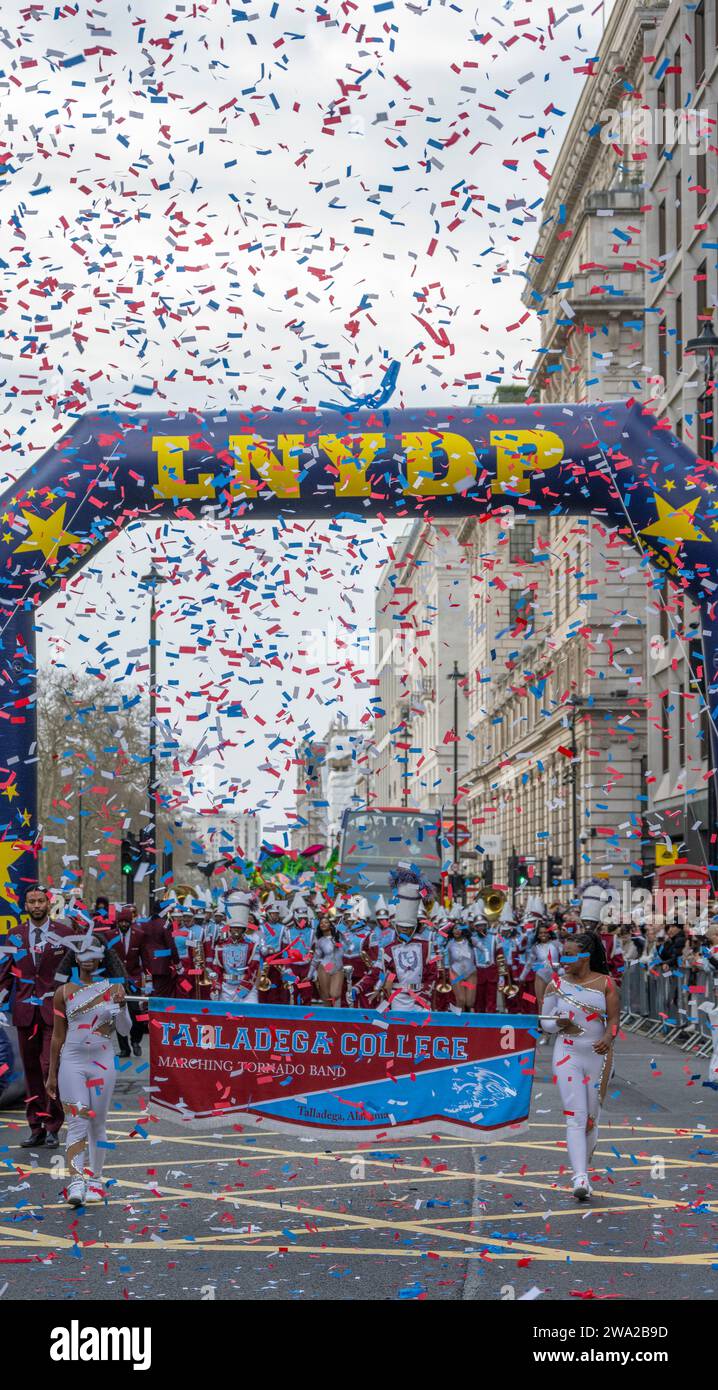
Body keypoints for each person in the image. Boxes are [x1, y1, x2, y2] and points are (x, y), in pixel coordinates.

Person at [46, 930, 131, 1206]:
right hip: (72, 1061)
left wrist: (122, 1008)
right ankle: (76, 1181)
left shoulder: (114, 988)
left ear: (101, 958)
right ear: (75, 957)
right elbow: (58, 1035)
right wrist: (51, 1075)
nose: (87, 960)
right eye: (82, 954)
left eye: (92, 955)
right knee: (77, 1121)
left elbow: (124, 1030)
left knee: (97, 1123)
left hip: (103, 1060)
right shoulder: (62, 992)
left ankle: (96, 1180)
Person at [540, 930, 619, 1202]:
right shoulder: (555, 985)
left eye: (571, 955)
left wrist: (608, 1039)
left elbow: (615, 1020)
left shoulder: (606, 984)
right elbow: (544, 1022)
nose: (564, 960)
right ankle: (580, 1176)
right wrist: (557, 1023)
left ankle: (583, 1169)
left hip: (598, 1056)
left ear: (585, 957)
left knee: (591, 1118)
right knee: (575, 1116)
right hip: (567, 1055)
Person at [0, 884, 73, 1148]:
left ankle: (53, 1126)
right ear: (25, 905)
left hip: (54, 1013)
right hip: (24, 1013)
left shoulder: (64, 933)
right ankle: (36, 1127)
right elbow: (6, 974)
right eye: (32, 902)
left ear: (48, 903)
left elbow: (79, 968)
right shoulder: (14, 935)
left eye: (41, 901)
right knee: (32, 1072)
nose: (37, 906)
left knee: (48, 1068)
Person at [212, 891, 261, 1003]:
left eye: (239, 928)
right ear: (230, 928)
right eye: (234, 927)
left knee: (249, 1014)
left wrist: (242, 992)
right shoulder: (220, 945)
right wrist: (215, 987)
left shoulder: (253, 946)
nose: (236, 930)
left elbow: (253, 971)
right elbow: (217, 969)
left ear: (244, 929)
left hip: (246, 988)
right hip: (225, 988)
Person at [110, 907, 145, 1057]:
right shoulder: (110, 935)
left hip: (134, 979)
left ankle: (136, 1040)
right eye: (121, 921)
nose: (123, 924)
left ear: (130, 922)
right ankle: (124, 1048)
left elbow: (145, 957)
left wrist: (147, 980)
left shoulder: (140, 935)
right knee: (118, 1013)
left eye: (126, 921)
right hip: (117, 980)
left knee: (136, 1012)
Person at [138, 908, 180, 998]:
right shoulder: (165, 924)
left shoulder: (144, 924)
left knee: (149, 991)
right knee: (161, 993)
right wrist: (177, 963)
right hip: (162, 965)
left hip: (147, 963)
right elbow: (171, 946)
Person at [312, 916, 345, 1006]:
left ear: (330, 925)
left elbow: (345, 950)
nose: (323, 924)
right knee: (326, 995)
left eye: (326, 922)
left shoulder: (339, 936)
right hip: (324, 966)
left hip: (338, 967)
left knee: (335, 994)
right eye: (321, 923)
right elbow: (316, 958)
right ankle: (328, 1014)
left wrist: (337, 944)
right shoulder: (320, 941)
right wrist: (310, 973)